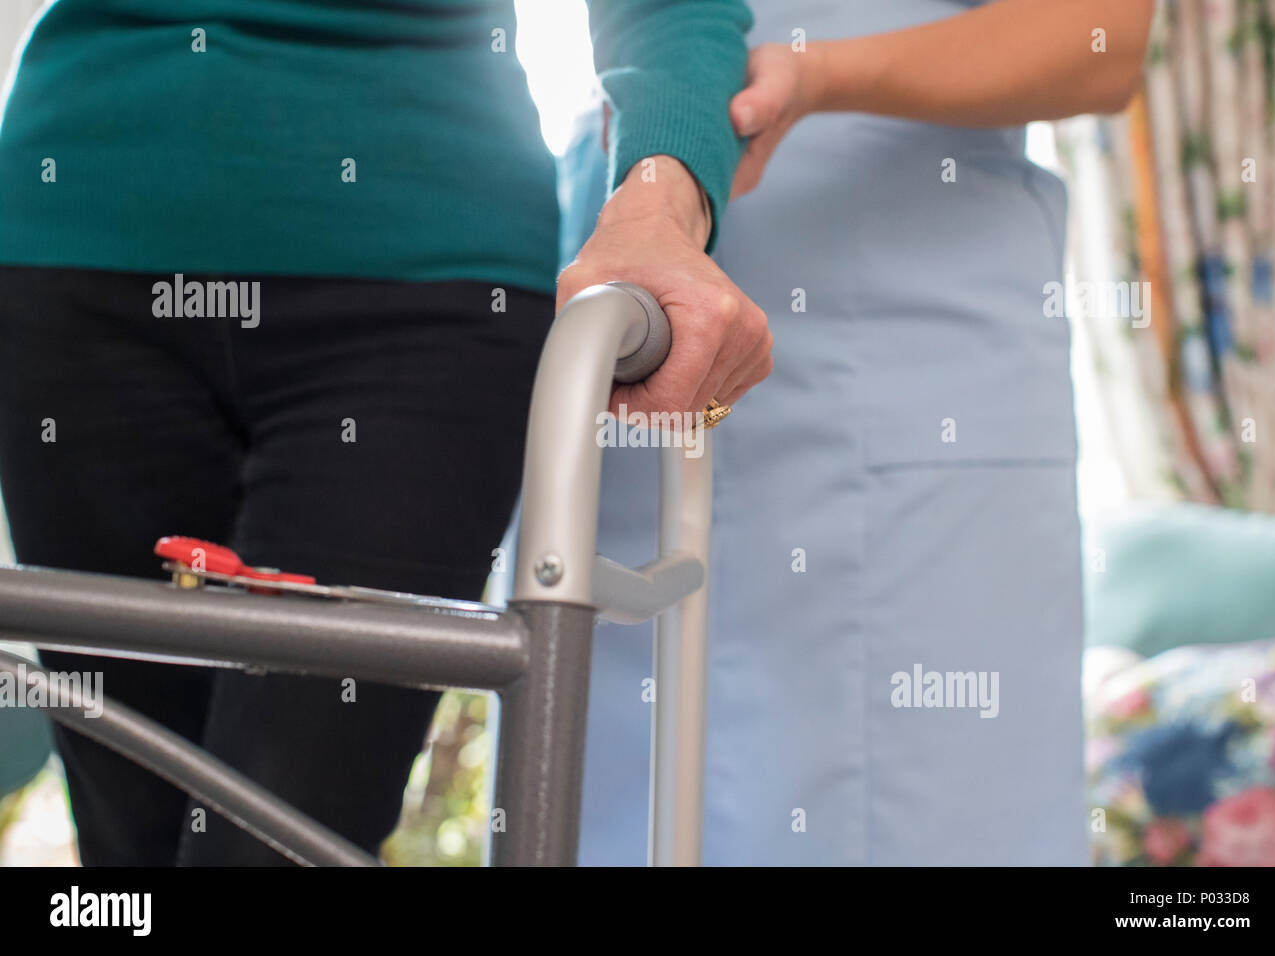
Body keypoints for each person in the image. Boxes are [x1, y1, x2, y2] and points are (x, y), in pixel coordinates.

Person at [0, 0, 768, 865]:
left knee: (281, 840)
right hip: (72, 266)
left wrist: (661, 212)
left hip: (423, 299)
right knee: (128, 850)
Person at [573, 0, 1154, 865]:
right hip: (636, 282)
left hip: (915, 322)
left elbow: (1102, 40)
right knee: (625, 797)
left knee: (932, 807)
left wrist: (816, 76)